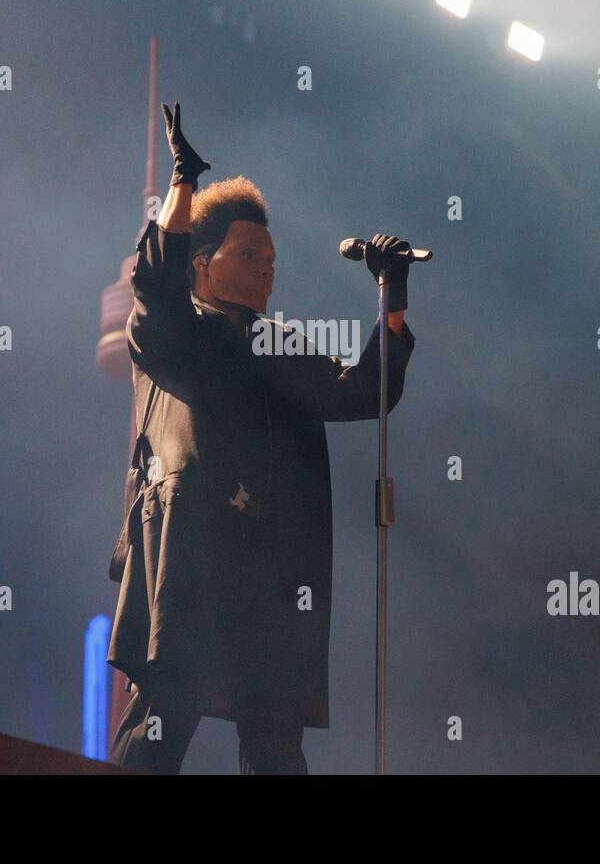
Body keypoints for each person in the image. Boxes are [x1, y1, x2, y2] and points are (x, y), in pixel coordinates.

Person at [106, 102, 417, 773]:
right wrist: (181, 187)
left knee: (275, 731)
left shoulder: (274, 344)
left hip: (273, 568)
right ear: (202, 264)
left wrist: (391, 296)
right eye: (249, 255)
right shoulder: (178, 332)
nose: (266, 270)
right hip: (194, 553)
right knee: (168, 706)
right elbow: (152, 284)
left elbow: (362, 391)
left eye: (271, 260)